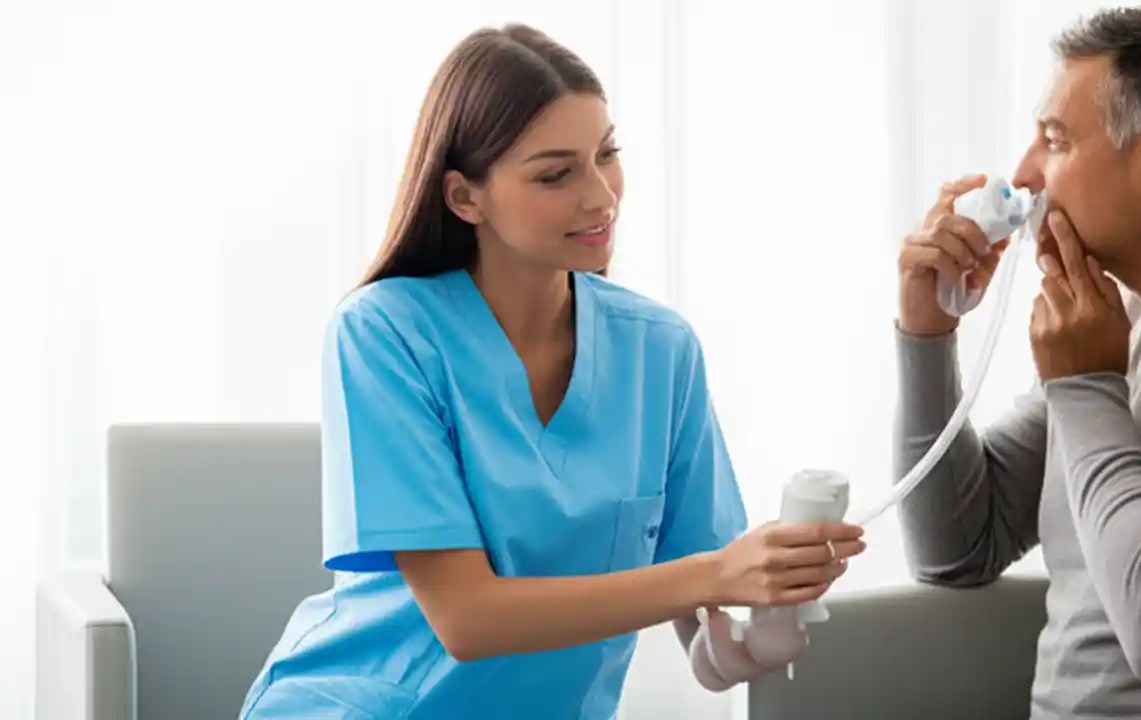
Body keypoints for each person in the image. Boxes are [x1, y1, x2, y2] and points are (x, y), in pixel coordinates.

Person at [239, 23, 865, 720]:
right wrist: (718, 573)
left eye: (607, 155)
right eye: (556, 173)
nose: (602, 197)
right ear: (464, 198)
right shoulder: (384, 333)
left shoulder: (661, 352)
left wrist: (761, 633)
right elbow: (468, 620)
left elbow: (705, 638)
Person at [894, 7, 1141, 719]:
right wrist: (927, 335)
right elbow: (953, 547)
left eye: (1055, 139)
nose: (1023, 174)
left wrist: (1084, 387)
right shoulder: (1119, 327)